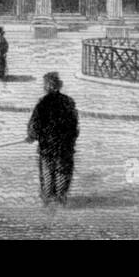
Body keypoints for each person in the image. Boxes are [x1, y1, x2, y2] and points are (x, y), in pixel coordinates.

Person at [26, 72, 80, 206]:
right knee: (63, 169)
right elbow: (74, 124)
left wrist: (32, 136)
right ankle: (61, 195)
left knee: (47, 171)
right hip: (64, 145)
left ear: (46, 87)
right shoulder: (68, 101)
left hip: (47, 145)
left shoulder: (43, 103)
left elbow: (35, 123)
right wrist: (71, 138)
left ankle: (48, 195)